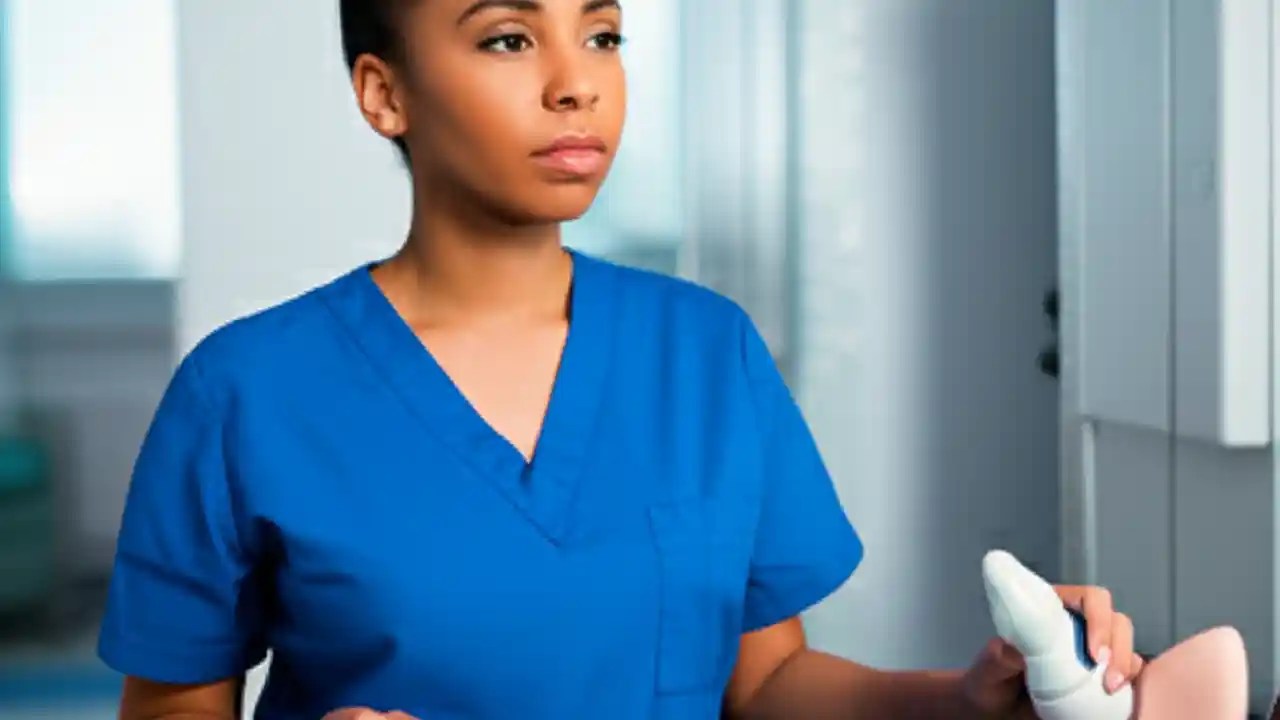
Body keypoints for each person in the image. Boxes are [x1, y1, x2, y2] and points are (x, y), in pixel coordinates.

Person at [99, 1, 1145, 718]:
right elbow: (170, 704)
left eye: (602, 35)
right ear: (385, 94)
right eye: (508, 39)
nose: (576, 85)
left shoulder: (704, 351)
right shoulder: (246, 393)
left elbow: (765, 683)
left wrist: (966, 697)